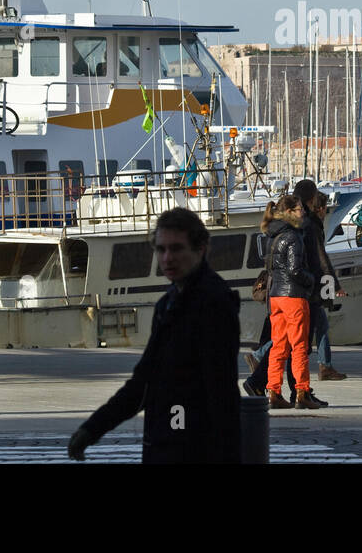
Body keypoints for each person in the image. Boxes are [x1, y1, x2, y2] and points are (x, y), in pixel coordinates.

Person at [68, 207, 240, 463]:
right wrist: (93, 428)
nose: (167, 258)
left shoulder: (213, 303)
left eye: (177, 248)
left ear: (200, 248)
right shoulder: (168, 304)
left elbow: (219, 391)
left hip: (194, 449)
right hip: (164, 444)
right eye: (161, 249)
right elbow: (143, 382)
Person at [265, 194, 325, 409]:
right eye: (300, 209)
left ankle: (273, 391)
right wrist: (311, 280)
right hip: (293, 296)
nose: (303, 213)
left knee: (278, 345)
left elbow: (272, 268)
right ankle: (302, 392)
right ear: (289, 212)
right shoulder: (292, 236)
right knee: (299, 346)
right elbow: (294, 269)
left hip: (276, 296)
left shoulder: (273, 234)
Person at [297, 181, 347, 381]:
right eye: (326, 209)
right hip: (313, 285)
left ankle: (325, 365)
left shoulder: (307, 224)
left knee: (319, 325)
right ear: (320, 208)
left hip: (312, 283)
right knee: (316, 326)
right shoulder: (312, 226)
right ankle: (324, 367)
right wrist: (335, 285)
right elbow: (321, 257)